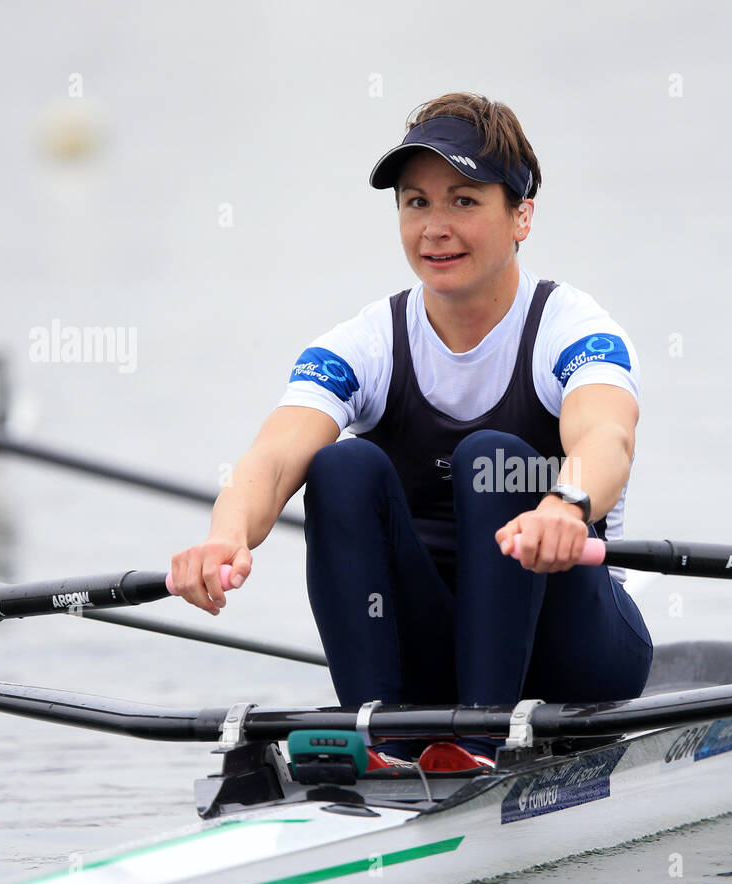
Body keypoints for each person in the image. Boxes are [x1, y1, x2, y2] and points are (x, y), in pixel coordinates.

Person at [170, 92, 652, 771]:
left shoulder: (574, 329)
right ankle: (382, 738)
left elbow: (607, 437)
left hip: (573, 658)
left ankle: (481, 745)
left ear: (521, 216)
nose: (434, 227)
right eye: (415, 202)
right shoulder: (367, 341)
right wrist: (224, 535)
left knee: (491, 457)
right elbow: (275, 454)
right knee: (339, 465)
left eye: (462, 200)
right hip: (433, 658)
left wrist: (567, 507)